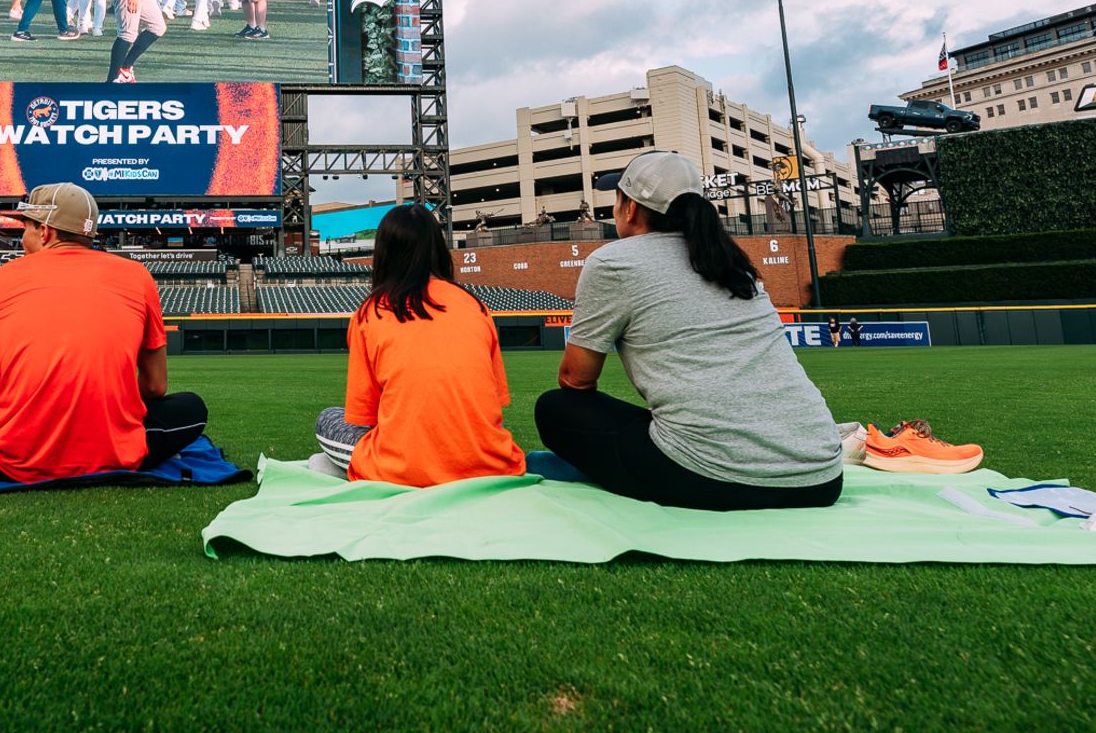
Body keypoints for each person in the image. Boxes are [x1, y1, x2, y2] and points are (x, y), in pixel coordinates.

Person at [535, 151, 843, 511]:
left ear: (630, 208)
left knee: (554, 408)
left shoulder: (612, 262)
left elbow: (575, 381)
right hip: (820, 479)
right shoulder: (731, 262)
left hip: (713, 476)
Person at [0, 182, 208, 481]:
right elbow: (155, 387)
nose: (22, 238)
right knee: (192, 407)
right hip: (117, 454)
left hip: (19, 459)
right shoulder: (137, 275)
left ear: (45, 232)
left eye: (26, 228)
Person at [313, 205, 525, 487]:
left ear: (383, 253)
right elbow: (493, 403)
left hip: (405, 469)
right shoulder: (476, 306)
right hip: (491, 466)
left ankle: (365, 473)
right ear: (438, 247)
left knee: (327, 420)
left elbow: (365, 416)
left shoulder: (370, 312)